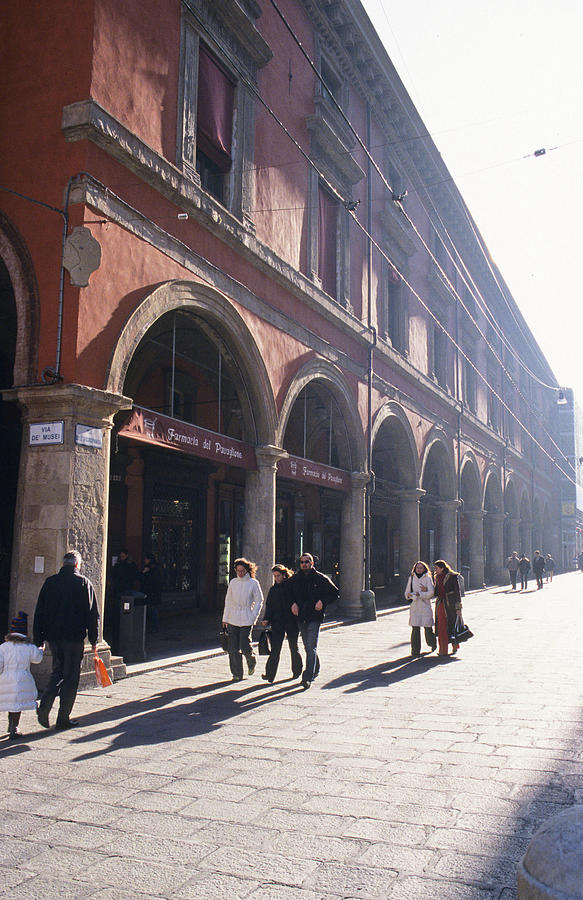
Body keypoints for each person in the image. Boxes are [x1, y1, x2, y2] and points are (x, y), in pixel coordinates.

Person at [33, 550, 99, 730]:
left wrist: (38, 638)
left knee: (58, 671)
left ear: (64, 564)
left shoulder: (50, 582)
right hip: (74, 638)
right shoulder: (84, 583)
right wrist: (94, 640)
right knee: (71, 677)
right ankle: (63, 718)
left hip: (54, 637)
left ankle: (45, 706)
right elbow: (92, 615)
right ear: (77, 565)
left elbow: (39, 612)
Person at [288, 553, 339, 690]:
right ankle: (316, 667)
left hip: (314, 617)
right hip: (301, 617)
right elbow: (288, 593)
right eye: (302, 562)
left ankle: (307, 678)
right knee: (307, 646)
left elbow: (335, 593)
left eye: (307, 561)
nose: (304, 564)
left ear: (312, 563)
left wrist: (323, 602)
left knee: (311, 647)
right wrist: (292, 603)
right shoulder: (295, 579)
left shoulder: (320, 578)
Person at [0, 611, 44, 739]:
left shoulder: (3, 647)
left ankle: (10, 726)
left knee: (10, 704)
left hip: (6, 679)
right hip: (23, 679)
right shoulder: (28, 647)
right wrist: (41, 649)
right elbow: (37, 659)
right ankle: (14, 727)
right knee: (17, 705)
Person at [222, 558, 264, 682]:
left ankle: (251, 660)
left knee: (245, 645)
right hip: (232, 618)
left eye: (242, 571)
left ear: (247, 570)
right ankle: (236, 673)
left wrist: (253, 616)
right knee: (233, 648)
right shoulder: (233, 582)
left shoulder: (253, 583)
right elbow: (228, 601)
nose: (240, 573)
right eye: (238, 571)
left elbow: (259, 600)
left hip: (246, 617)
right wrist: (225, 618)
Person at [261, 565, 303, 683]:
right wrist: (266, 619)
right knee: (275, 649)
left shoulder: (291, 587)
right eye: (274, 576)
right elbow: (269, 606)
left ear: (284, 575)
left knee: (293, 647)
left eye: (278, 576)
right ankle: (270, 675)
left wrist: (295, 604)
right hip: (277, 622)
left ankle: (297, 671)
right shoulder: (273, 590)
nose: (276, 578)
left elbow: (298, 599)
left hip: (291, 622)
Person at [404, 561, 436, 657]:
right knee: (415, 629)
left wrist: (421, 594)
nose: (419, 569)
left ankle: (432, 643)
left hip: (425, 605)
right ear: (415, 568)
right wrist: (409, 595)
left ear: (424, 569)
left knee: (428, 628)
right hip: (415, 606)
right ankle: (415, 651)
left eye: (421, 567)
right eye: (418, 567)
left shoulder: (428, 578)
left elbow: (431, 593)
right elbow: (407, 592)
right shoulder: (411, 578)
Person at [433, 559, 462, 657]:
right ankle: (443, 650)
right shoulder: (436, 577)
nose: (435, 570)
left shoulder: (452, 577)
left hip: (451, 604)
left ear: (442, 568)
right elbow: (436, 592)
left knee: (452, 624)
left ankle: (455, 645)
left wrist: (458, 608)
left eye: (436, 568)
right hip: (440, 604)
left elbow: (457, 592)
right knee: (441, 626)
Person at [140, 553, 162, 633]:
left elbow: (148, 580)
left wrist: (144, 573)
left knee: (152, 610)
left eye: (146, 559)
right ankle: (154, 627)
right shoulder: (155, 568)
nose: (144, 560)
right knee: (152, 610)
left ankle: (155, 628)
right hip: (154, 593)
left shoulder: (150, 569)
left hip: (151, 592)